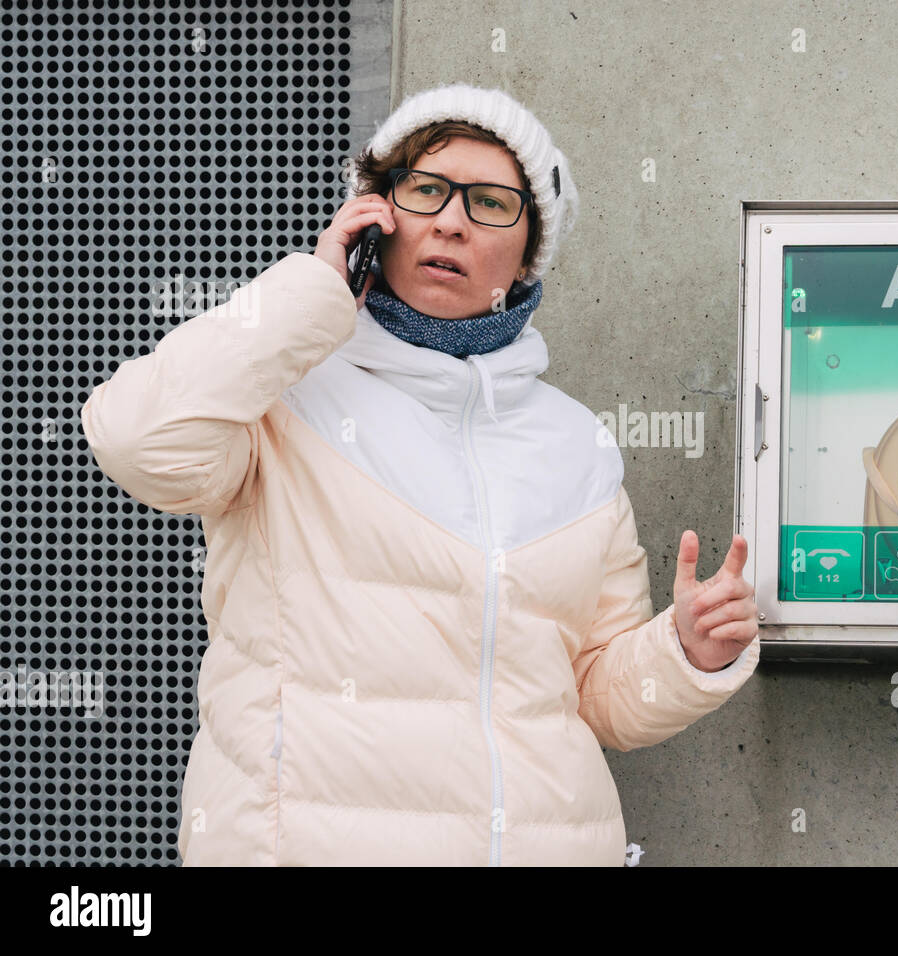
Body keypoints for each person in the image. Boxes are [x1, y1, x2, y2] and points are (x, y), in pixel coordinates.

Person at [79, 83, 761, 866]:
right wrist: (313, 289)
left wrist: (684, 650)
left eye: (491, 202)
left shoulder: (577, 444)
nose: (450, 220)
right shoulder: (283, 396)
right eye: (426, 189)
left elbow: (595, 695)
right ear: (378, 215)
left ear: (530, 247)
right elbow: (136, 440)